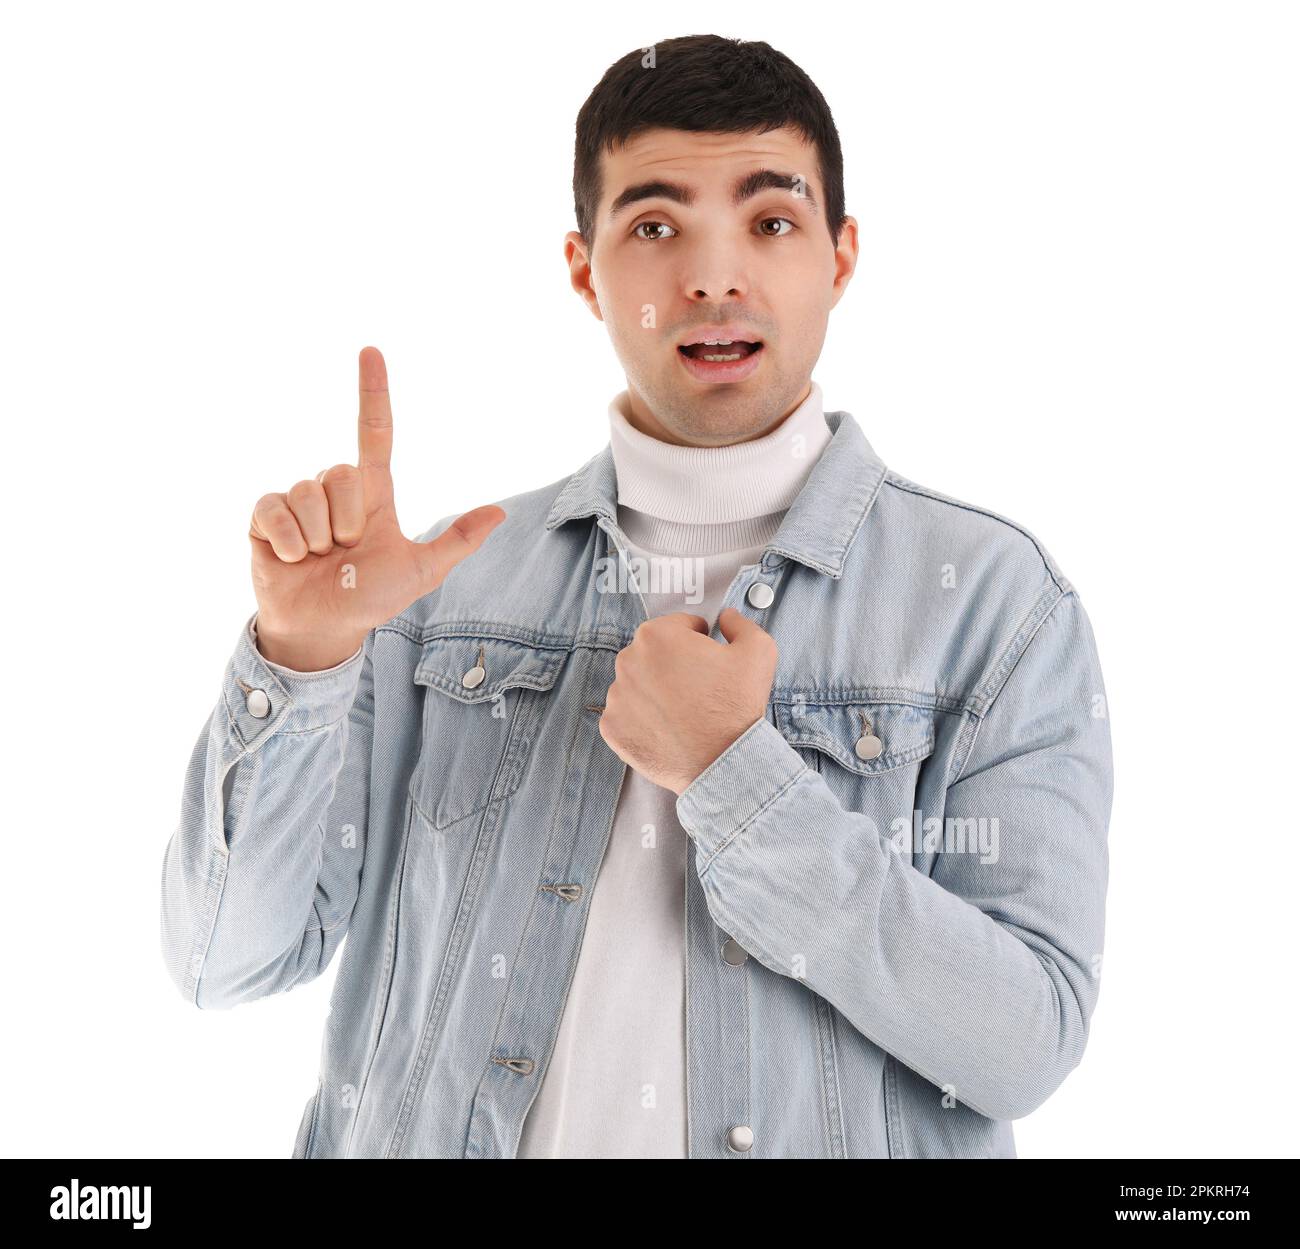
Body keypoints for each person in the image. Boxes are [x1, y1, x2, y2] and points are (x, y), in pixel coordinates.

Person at [161, 33, 1112, 1159]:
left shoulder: (994, 607)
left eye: (770, 222)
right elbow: (226, 961)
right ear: (582, 268)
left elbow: (1021, 1043)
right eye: (655, 226)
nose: (712, 277)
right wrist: (302, 657)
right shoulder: (443, 585)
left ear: (840, 258)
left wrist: (736, 779)